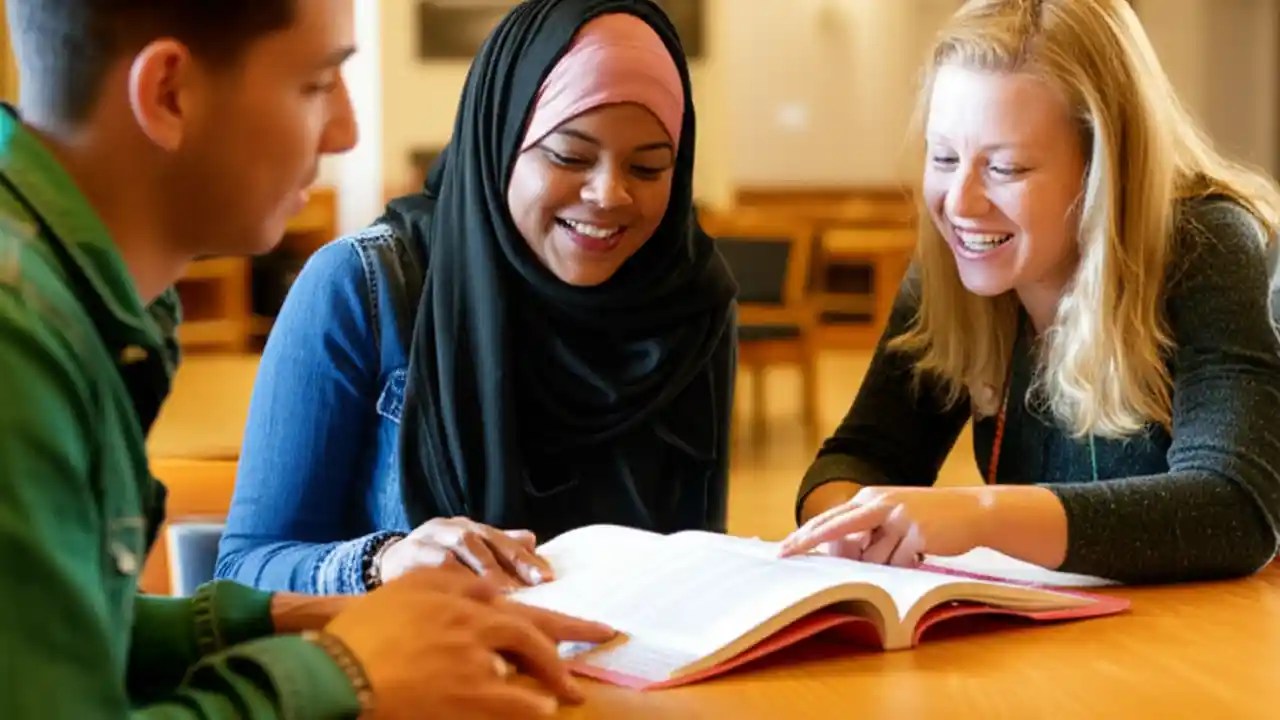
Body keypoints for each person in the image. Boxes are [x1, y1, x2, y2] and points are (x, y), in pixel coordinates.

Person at [0, 1, 613, 718]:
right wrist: (347, 673)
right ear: (169, 94)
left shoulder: (64, 290)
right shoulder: (19, 342)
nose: (348, 132)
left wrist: (308, 618)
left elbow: (79, 640)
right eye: (318, 85)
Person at [215, 0, 738, 595]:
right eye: (570, 156)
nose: (608, 194)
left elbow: (700, 553)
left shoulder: (688, 303)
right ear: (500, 141)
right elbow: (244, 571)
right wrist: (384, 563)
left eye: (648, 169)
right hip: (420, 677)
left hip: (632, 679)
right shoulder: (364, 287)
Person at [780, 0, 1280, 584]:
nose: (960, 204)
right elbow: (861, 456)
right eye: (943, 158)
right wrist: (850, 523)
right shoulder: (958, 265)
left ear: (1103, 170)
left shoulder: (1208, 243)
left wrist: (979, 515)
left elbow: (1234, 511)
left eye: (1006, 168)